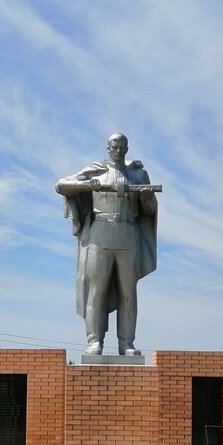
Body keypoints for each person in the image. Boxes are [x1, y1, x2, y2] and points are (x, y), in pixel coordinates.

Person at [55, 133, 158, 356]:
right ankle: (94, 341)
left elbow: (149, 211)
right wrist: (87, 185)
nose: (118, 151)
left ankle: (126, 342)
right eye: (114, 147)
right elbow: (61, 185)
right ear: (108, 148)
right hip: (99, 235)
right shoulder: (96, 171)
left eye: (122, 147)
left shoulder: (138, 175)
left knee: (128, 292)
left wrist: (147, 196)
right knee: (96, 291)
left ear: (127, 149)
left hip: (128, 234)